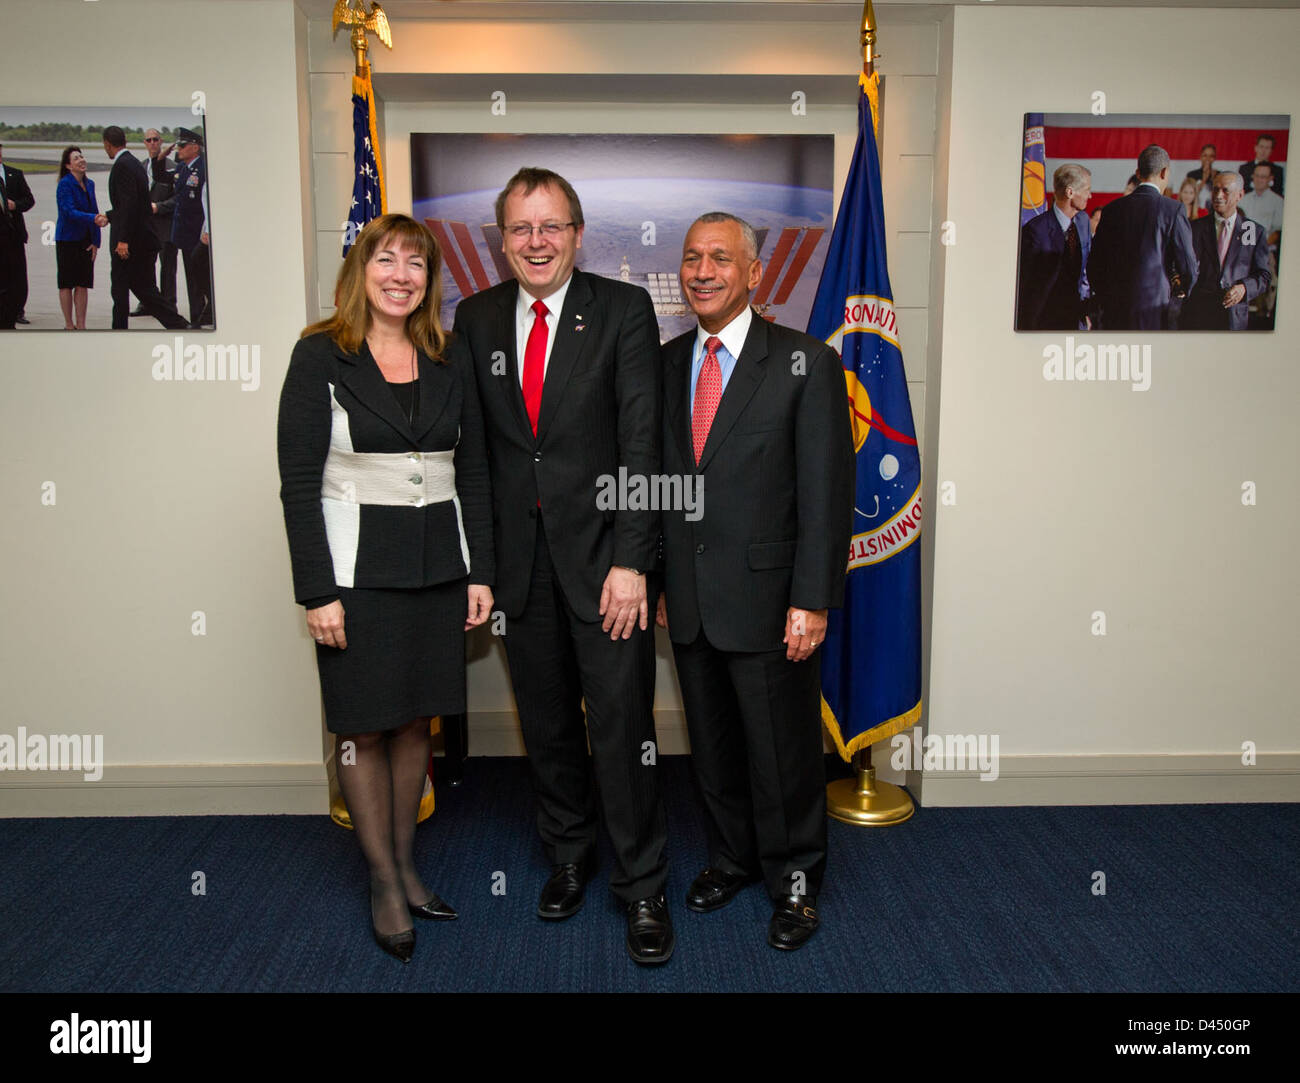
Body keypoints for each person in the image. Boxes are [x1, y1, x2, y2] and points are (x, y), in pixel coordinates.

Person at [449, 167, 671, 965]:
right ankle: (570, 855)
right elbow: (473, 457)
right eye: (521, 228)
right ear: (500, 240)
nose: (536, 242)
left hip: (607, 569)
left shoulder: (622, 311)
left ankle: (642, 883)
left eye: (551, 226)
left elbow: (644, 446)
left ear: (577, 234)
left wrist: (632, 562)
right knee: (545, 728)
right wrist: (480, 567)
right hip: (518, 572)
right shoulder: (473, 321)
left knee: (622, 730)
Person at [277, 213, 495, 963]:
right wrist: (317, 592)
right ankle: (380, 879)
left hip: (438, 570)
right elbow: (298, 482)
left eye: (416, 263)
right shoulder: (320, 355)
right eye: (386, 259)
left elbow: (474, 472)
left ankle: (407, 864)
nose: (401, 274)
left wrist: (481, 572)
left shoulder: (449, 354)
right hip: (354, 574)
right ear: (361, 269)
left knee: (412, 725)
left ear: (429, 280)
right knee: (363, 728)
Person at [657, 212, 853, 951]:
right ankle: (733, 858)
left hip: (775, 605)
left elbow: (825, 494)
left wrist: (811, 600)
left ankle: (795, 885)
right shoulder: (669, 362)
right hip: (691, 602)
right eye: (691, 258)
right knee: (713, 749)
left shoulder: (805, 363)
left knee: (783, 756)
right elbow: (665, 484)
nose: (703, 271)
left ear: (754, 273)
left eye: (720, 258)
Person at [1088, 144, 1197, 330]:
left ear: (1138, 173)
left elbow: (1094, 263)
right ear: (1164, 173)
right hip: (1154, 307)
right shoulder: (1173, 209)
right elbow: (1187, 263)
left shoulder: (1112, 209)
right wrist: (1183, 288)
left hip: (1114, 307)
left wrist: (1106, 295)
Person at [95, 126, 187, 330]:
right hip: (141, 238)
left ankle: (119, 329)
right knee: (144, 290)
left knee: (121, 289)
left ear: (107, 144)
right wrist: (110, 216)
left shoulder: (122, 166)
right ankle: (178, 324)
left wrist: (122, 239)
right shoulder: (135, 164)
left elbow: (129, 204)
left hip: (129, 243)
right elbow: (136, 204)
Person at [1182, 172, 1272, 331]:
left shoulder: (1251, 230)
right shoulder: (1195, 228)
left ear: (1240, 195)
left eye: (1225, 190)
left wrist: (1244, 287)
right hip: (1198, 315)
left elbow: (1263, 276)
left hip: (1233, 318)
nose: (1218, 195)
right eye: (1215, 189)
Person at [1016, 163, 1094, 330]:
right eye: (1087, 189)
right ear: (1070, 192)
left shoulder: (1084, 222)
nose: (1090, 195)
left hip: (1077, 319)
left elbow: (1086, 270)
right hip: (1045, 322)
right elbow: (1026, 286)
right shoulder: (1035, 231)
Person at [54, 146, 100, 330]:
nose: (81, 160)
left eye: (82, 156)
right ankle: (69, 323)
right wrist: (93, 218)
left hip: (85, 240)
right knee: (66, 283)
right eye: (76, 158)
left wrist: (96, 241)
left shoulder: (90, 184)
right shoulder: (64, 184)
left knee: (83, 284)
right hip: (67, 239)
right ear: (68, 165)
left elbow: (94, 210)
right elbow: (68, 212)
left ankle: (81, 324)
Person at [170, 127, 212, 328]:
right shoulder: (182, 168)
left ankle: (200, 315)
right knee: (190, 275)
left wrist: (207, 230)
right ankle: (200, 314)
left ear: (195, 147)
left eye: (183, 145)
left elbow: (204, 202)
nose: (179, 149)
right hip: (184, 231)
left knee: (198, 275)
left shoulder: (203, 169)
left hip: (198, 231)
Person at [134, 128, 178, 313]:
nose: (152, 143)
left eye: (155, 140)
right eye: (148, 140)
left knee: (167, 267)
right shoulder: (140, 167)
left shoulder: (172, 166)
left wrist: (159, 207)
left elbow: (178, 198)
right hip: (147, 226)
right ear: (144, 143)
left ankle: (168, 304)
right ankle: (147, 302)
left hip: (165, 224)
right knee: (145, 266)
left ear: (161, 142)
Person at [0, 140, 35, 330]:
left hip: (14, 236)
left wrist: (16, 205)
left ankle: (17, 310)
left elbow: (29, 200)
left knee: (18, 278)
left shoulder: (15, 174)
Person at [1240, 163, 1284, 248]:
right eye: (1257, 176)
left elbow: (1277, 232)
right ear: (1253, 176)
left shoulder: (1278, 201)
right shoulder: (1243, 200)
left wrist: (1261, 248)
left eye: (1263, 177)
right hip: (1243, 249)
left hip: (1265, 249)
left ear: (1270, 178)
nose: (1259, 180)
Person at [1238, 133, 1283, 197]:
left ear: (1271, 151)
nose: (1263, 151)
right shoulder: (1244, 168)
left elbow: (1278, 192)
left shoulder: (1277, 170)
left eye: (1267, 148)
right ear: (1256, 148)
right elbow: (1241, 190)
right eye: (1261, 147)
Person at [1186, 143, 1216, 213]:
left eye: (1211, 156)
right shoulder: (1192, 175)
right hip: (1196, 210)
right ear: (1200, 157)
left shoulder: (1218, 175)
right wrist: (1204, 179)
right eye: (1205, 155)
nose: (1207, 159)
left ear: (1214, 158)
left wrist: (1214, 179)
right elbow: (1190, 195)